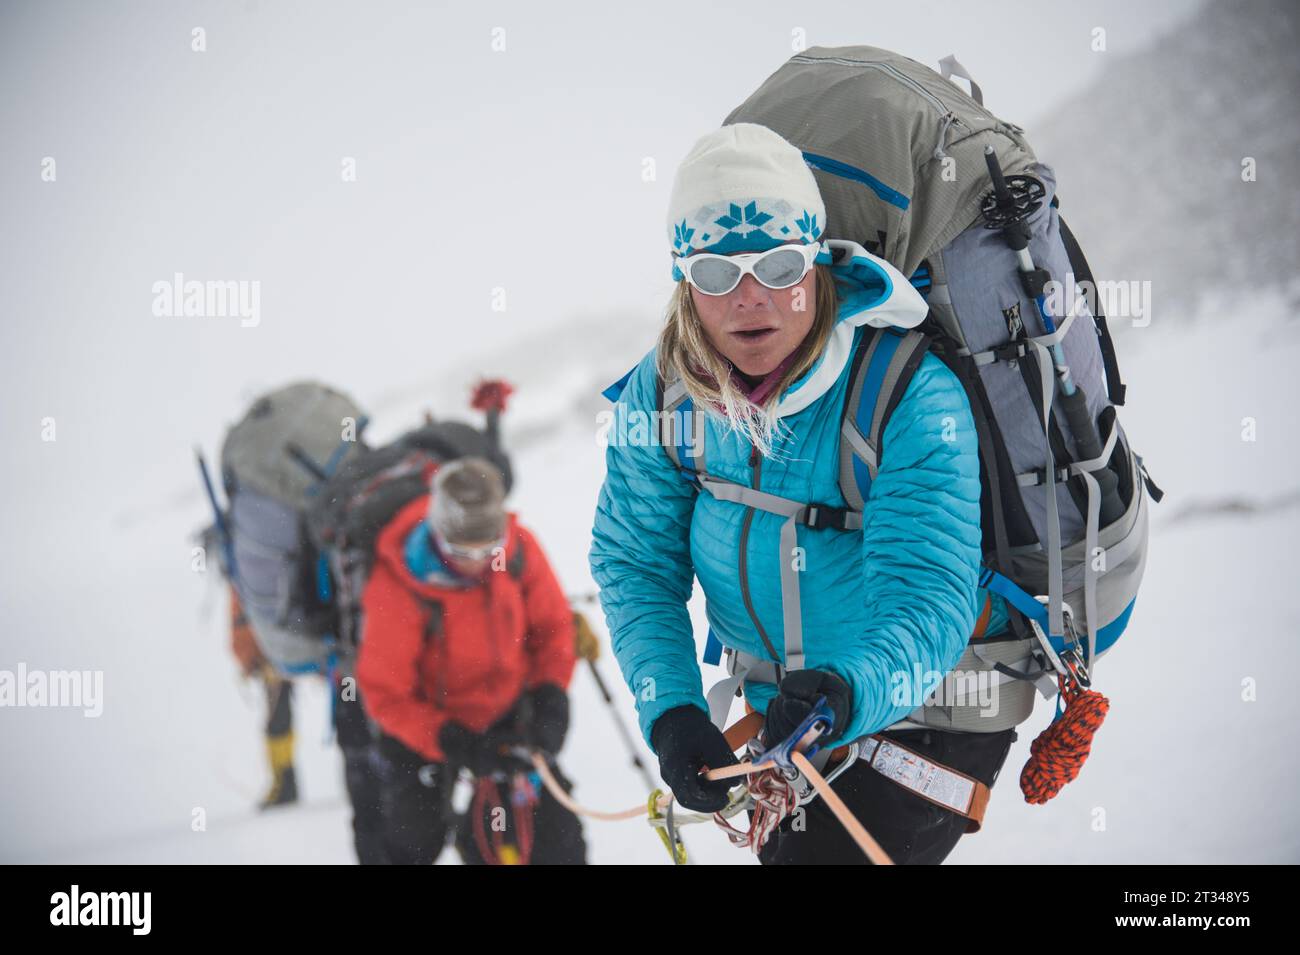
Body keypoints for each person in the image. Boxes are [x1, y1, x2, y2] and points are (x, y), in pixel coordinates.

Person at [590, 122, 1018, 865]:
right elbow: (636, 563)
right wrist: (672, 710)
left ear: (817, 262)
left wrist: (845, 690)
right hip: (783, 723)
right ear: (684, 281)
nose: (750, 298)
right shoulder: (661, 397)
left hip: (929, 707)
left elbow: (929, 595)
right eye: (717, 273)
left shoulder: (907, 396)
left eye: (779, 265)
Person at [357, 457, 587, 864]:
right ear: (437, 535)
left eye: (490, 548)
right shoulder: (398, 584)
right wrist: (449, 739)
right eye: (462, 550)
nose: (478, 561)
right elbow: (385, 693)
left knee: (556, 836)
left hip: (507, 712)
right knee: (409, 842)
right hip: (428, 726)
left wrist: (551, 695)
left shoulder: (519, 550)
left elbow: (552, 629)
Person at [228, 587, 298, 809]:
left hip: (271, 646)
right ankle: (284, 780)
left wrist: (250, 654)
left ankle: (285, 781)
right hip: (278, 642)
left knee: (277, 716)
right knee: (277, 714)